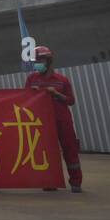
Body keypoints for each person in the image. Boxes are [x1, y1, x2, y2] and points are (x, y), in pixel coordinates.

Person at [26, 46, 83, 192]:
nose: (37, 63)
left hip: (62, 120)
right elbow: (25, 99)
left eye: (40, 60)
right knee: (47, 151)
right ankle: (50, 182)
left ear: (48, 61)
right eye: (35, 61)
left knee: (70, 150)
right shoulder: (32, 79)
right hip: (42, 121)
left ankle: (76, 182)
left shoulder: (61, 80)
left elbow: (70, 101)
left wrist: (56, 94)